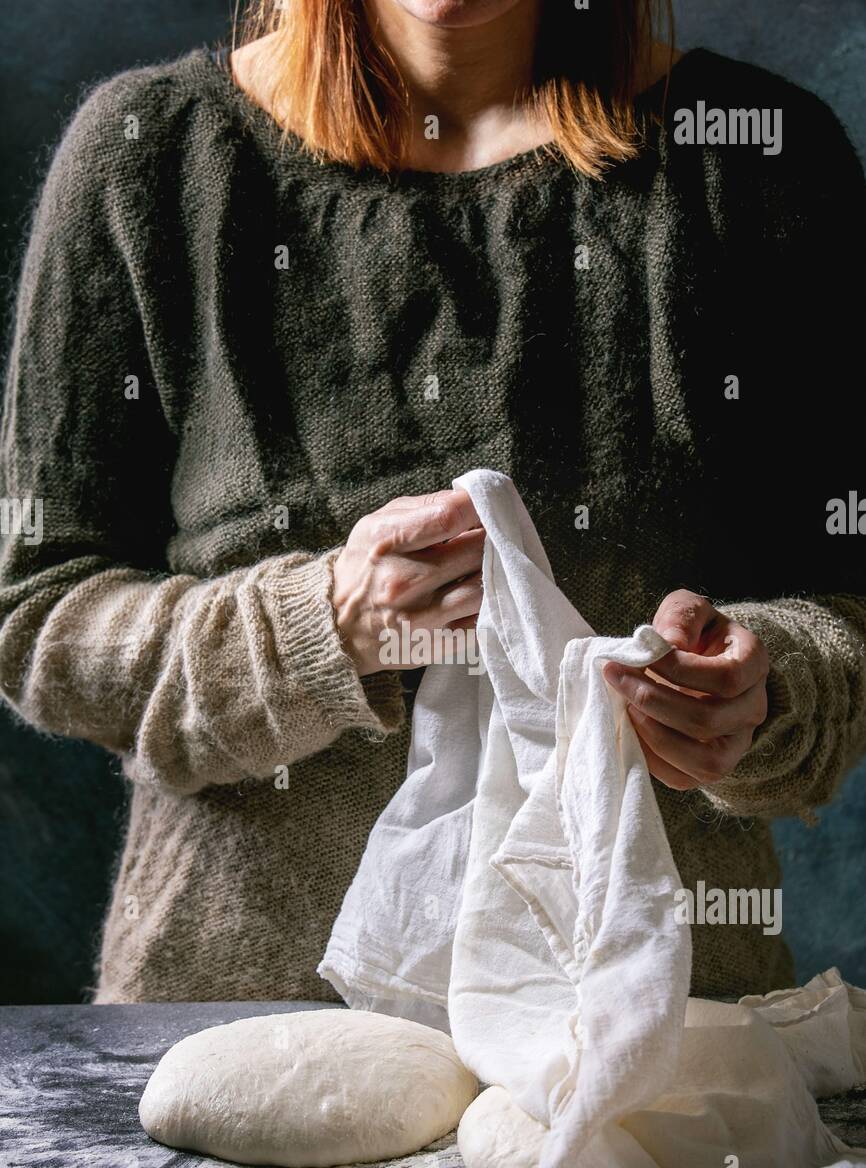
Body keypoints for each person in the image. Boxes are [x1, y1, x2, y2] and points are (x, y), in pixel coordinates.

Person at [1, 0, 863, 1004]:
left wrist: (766, 688)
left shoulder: (757, 157)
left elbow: (846, 598)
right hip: (239, 1021)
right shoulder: (149, 156)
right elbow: (37, 613)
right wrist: (315, 627)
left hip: (655, 1042)